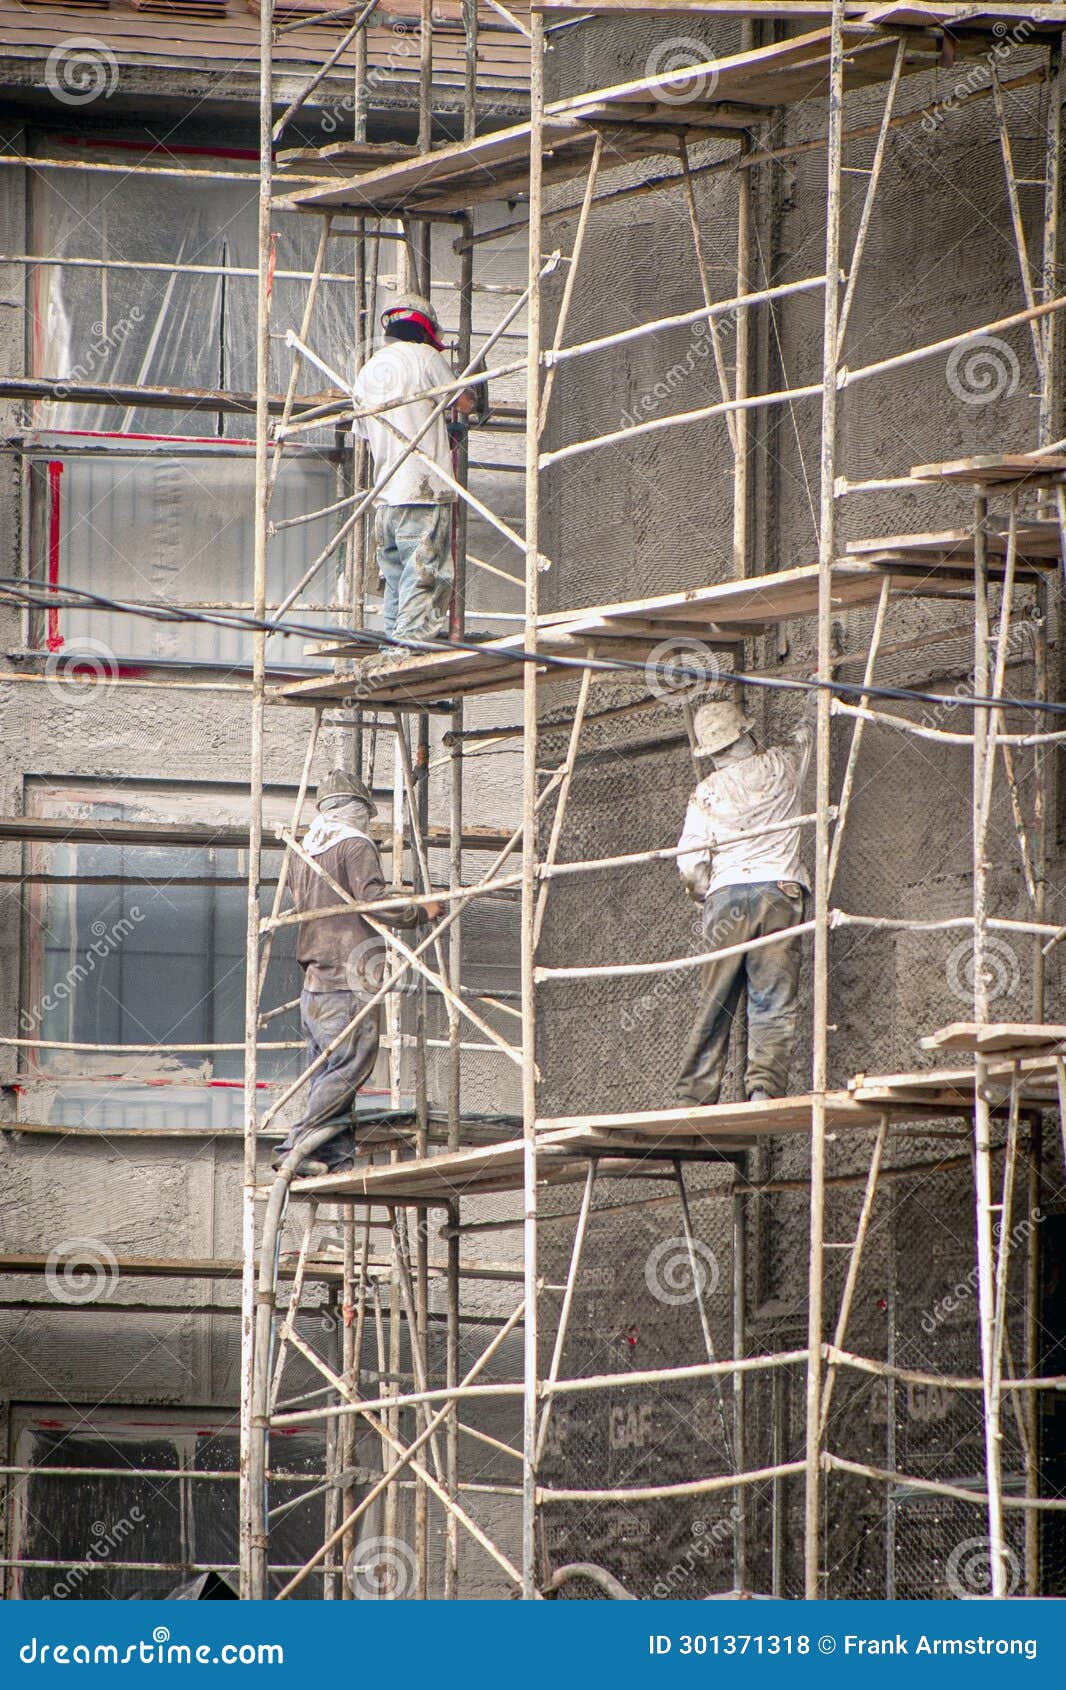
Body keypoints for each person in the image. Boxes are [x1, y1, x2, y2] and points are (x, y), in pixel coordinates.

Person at [272, 769, 443, 1176]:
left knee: (329, 1076)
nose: (368, 820)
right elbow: (371, 903)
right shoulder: (355, 844)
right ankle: (294, 1146)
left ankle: (333, 1159)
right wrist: (419, 910)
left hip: (315, 980)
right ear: (355, 810)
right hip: (348, 978)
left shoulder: (302, 852)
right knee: (350, 1068)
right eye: (366, 811)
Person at [675, 691, 815, 1108]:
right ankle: (763, 1090)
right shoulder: (785, 765)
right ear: (746, 731)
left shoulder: (706, 792)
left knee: (716, 998)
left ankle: (693, 1097)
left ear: (710, 750)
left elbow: (689, 865)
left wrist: (703, 896)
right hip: (780, 891)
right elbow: (810, 737)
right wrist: (813, 698)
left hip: (726, 898)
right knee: (772, 997)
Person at [352, 292, 483, 655]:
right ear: (426, 332)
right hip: (422, 491)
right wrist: (469, 391)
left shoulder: (368, 371)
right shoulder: (427, 357)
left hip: (386, 497)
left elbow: (368, 432)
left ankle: (393, 648)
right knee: (425, 573)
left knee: (396, 576)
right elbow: (466, 403)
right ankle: (407, 649)